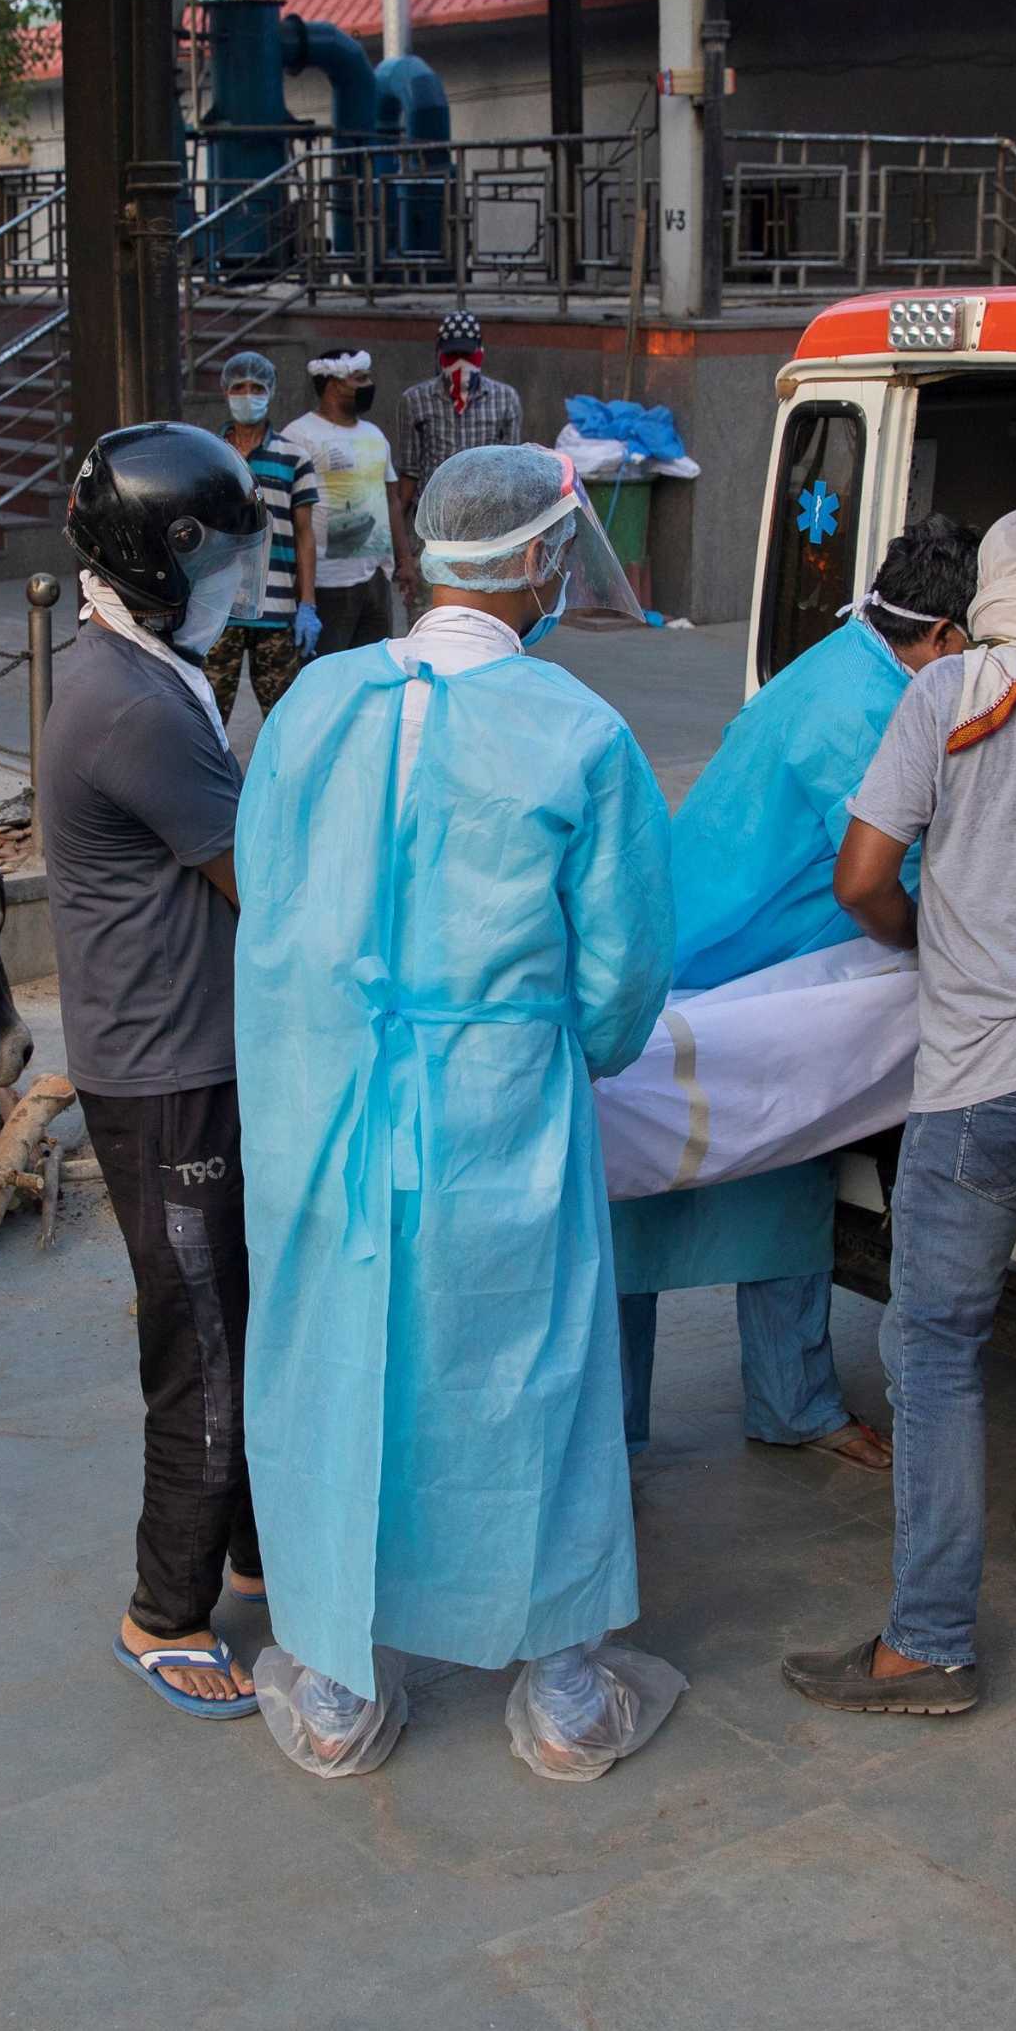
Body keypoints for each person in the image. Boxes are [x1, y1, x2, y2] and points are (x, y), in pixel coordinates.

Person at [237, 444, 686, 1780]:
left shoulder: (315, 705)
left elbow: (266, 897)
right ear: (544, 562)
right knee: (524, 1374)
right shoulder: (581, 736)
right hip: (499, 1107)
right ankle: (559, 1692)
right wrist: (560, 1057)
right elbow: (620, 969)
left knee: (335, 1366)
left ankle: (333, 1683)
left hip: (324, 1097)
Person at [785, 506, 1016, 1718]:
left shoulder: (948, 695)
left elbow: (861, 877)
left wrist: (931, 941)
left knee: (932, 1349)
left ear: (986, 594)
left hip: (981, 1081)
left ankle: (929, 1642)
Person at [611, 517, 983, 1472]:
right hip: (718, 979)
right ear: (944, 637)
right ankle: (615, 1437)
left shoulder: (849, 654)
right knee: (640, 1196)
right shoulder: (867, 715)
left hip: (726, 960)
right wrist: (941, 951)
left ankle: (789, 1402)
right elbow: (873, 879)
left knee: (782, 1173)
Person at [39, 421, 275, 1720]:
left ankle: (248, 1547)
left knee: (230, 1307)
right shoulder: (133, 705)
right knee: (201, 1339)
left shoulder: (145, 663)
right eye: (226, 561)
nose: (240, 587)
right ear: (163, 561)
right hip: (165, 1069)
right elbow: (262, 882)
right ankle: (162, 1609)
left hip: (182, 1048)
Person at [202, 351, 323, 724]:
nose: (248, 395)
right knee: (207, 716)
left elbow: (304, 535)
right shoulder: (208, 454)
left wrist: (307, 604)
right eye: (239, 387)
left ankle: (280, 783)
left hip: (277, 612)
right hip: (218, 611)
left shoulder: (294, 458)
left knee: (283, 719)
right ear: (225, 392)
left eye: (256, 387)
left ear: (270, 393)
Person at [281, 349, 413, 653]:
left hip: (375, 581)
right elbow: (288, 514)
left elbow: (391, 500)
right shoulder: (299, 436)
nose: (368, 385)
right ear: (332, 384)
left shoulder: (375, 434)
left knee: (373, 672)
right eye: (360, 379)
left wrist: (404, 560)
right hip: (327, 584)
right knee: (329, 676)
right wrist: (303, 593)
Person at [394, 311, 523, 568]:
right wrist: (402, 551)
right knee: (431, 605)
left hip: (488, 528)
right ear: (440, 355)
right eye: (453, 357)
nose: (460, 364)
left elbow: (513, 473)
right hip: (433, 529)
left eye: (467, 356)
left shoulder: (505, 399)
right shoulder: (415, 400)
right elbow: (409, 474)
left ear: (480, 353)